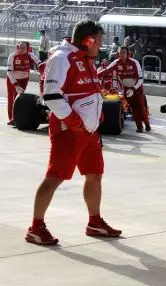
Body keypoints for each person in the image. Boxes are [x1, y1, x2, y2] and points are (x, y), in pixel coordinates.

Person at [26, 20, 122, 245]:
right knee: (55, 177)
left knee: (95, 175)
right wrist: (73, 120)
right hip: (69, 131)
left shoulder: (86, 58)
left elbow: (85, 91)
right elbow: (50, 94)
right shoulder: (62, 58)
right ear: (87, 40)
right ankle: (35, 227)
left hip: (89, 132)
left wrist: (96, 116)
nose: (101, 45)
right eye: (98, 41)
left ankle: (95, 222)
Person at [98, 46, 150, 133]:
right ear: (117, 54)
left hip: (137, 88)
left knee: (140, 107)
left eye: (123, 52)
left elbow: (140, 79)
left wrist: (133, 89)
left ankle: (147, 124)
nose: (121, 54)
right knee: (131, 108)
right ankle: (139, 127)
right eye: (120, 53)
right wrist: (94, 76)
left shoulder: (135, 62)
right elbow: (106, 71)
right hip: (126, 89)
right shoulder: (116, 62)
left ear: (127, 54)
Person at [6, 41, 40, 126]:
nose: (20, 49)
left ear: (28, 49)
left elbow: (40, 64)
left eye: (23, 48)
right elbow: (9, 72)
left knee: (18, 98)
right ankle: (12, 119)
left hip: (24, 79)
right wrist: (16, 85)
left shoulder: (31, 55)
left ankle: (16, 118)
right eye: (19, 47)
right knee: (11, 98)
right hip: (12, 79)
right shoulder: (12, 56)